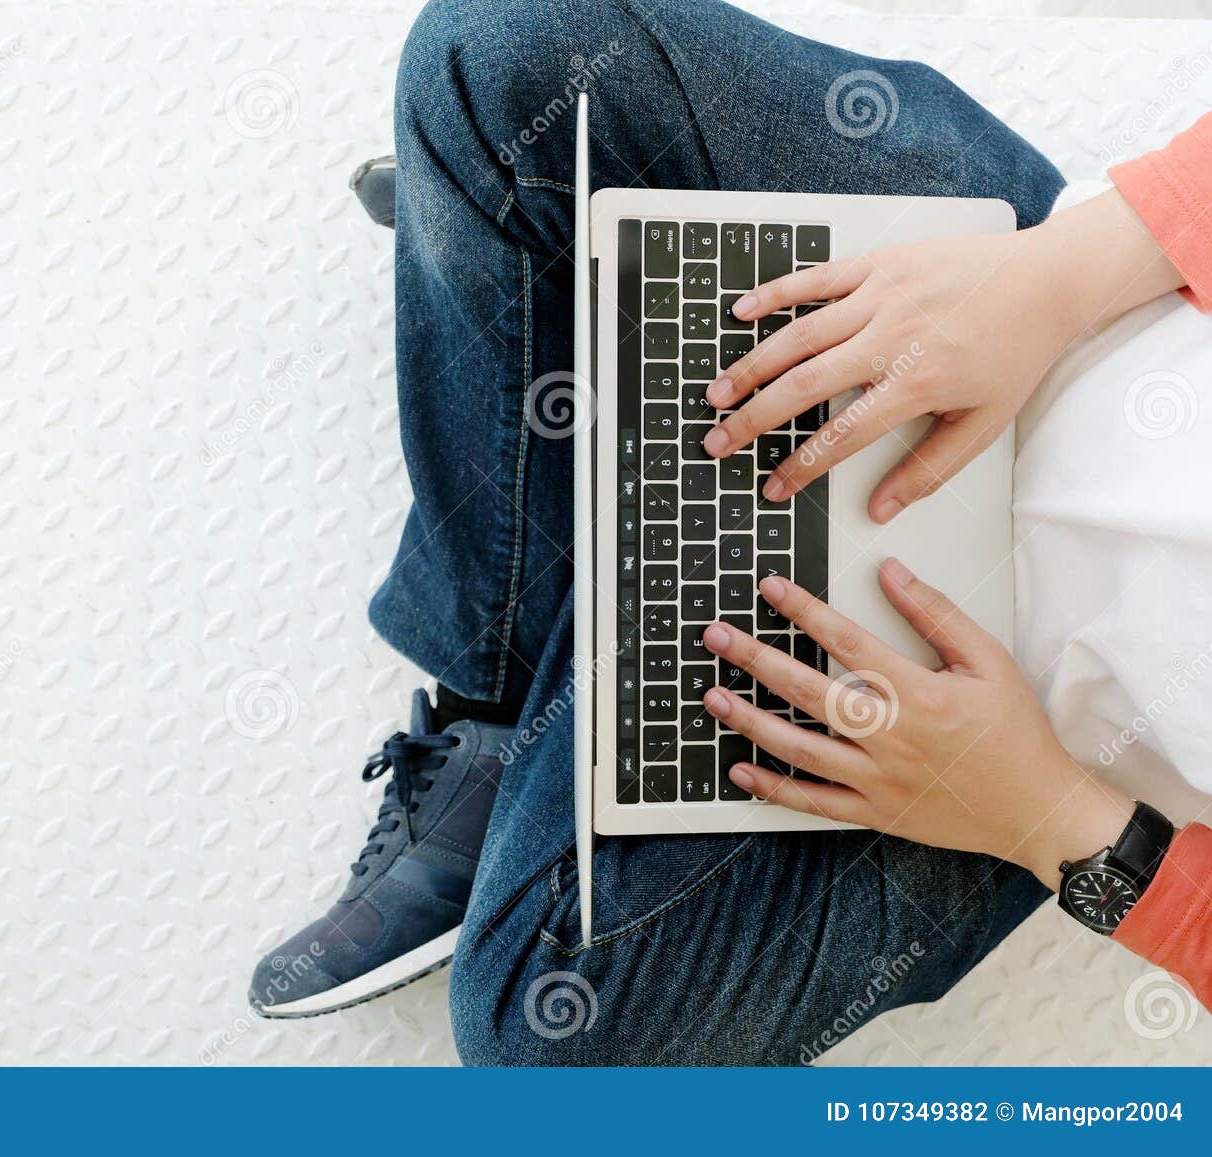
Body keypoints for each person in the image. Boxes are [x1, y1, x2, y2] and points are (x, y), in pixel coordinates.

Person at [248, 0, 1212, 1062]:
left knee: (549, 1056)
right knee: (498, 55)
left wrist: (1053, 819)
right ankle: (508, 714)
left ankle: (569, 351)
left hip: (998, 746)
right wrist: (1051, 278)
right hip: (1041, 298)